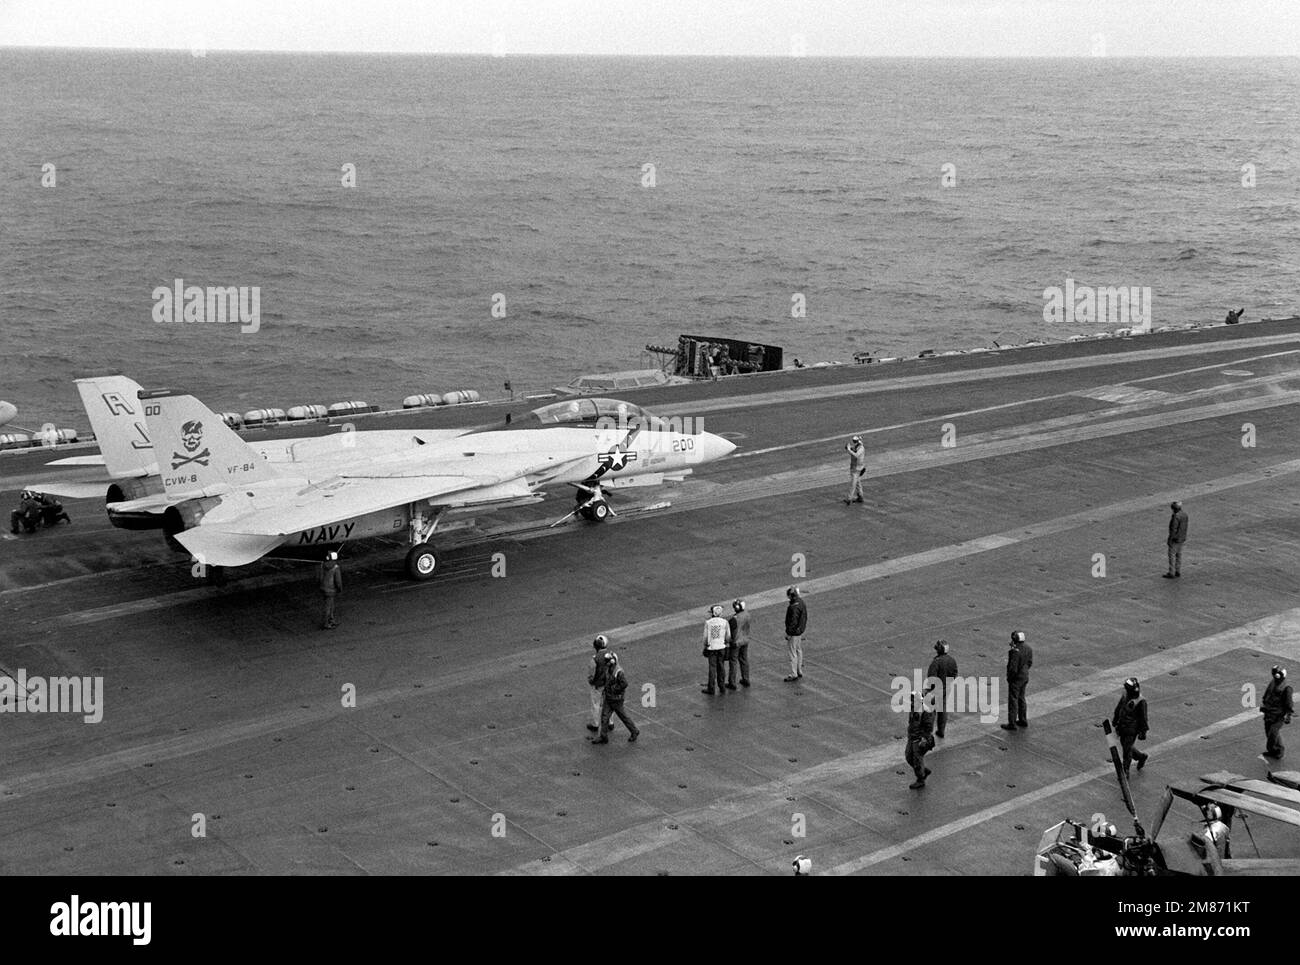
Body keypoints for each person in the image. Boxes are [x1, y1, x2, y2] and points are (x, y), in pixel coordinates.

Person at [594, 651, 640, 743]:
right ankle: (603, 737)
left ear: (612, 662)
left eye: (606, 661)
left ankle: (634, 731)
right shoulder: (608, 669)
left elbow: (624, 684)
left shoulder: (619, 672)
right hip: (609, 698)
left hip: (616, 699)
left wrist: (613, 689)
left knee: (623, 717)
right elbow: (605, 679)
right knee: (604, 717)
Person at [1111, 677, 1149, 775]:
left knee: (1127, 750)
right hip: (1122, 727)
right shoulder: (1125, 695)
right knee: (1125, 745)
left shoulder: (1141, 701)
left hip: (1132, 729)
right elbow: (1119, 708)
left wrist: (1143, 732)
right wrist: (1115, 719)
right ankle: (1141, 757)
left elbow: (1143, 718)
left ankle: (1125, 770)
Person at [1001, 630, 1032, 730]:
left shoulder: (1015, 652)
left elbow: (1013, 668)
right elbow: (1030, 662)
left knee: (1013, 700)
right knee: (1021, 698)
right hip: (1025, 676)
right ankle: (1023, 719)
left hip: (1016, 679)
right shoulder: (1028, 648)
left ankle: (1012, 723)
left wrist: (1010, 678)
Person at [927, 640, 958, 738]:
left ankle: (928, 733)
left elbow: (931, 677)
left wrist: (929, 690)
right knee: (943, 709)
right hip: (946, 687)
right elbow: (955, 673)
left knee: (931, 711)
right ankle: (941, 731)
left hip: (936, 689)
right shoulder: (952, 660)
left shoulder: (936, 662)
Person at [1261, 665, 1294, 759]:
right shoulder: (1273, 682)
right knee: (1268, 732)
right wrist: (1264, 704)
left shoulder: (1287, 688)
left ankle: (1279, 751)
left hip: (1279, 715)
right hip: (1269, 713)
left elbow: (1289, 703)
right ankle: (1273, 751)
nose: (1276, 677)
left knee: (1273, 732)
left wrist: (1288, 715)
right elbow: (1267, 693)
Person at [905, 691, 935, 789]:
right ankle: (923, 770)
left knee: (917, 760)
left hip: (919, 739)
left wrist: (924, 739)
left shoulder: (926, 710)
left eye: (913, 699)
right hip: (912, 737)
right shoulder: (914, 708)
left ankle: (921, 779)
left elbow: (928, 726)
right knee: (909, 757)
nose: (912, 701)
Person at [702, 605, 731, 695]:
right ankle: (722, 687)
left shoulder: (708, 622)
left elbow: (705, 637)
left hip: (712, 648)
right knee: (721, 667)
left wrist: (706, 645)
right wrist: (725, 643)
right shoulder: (725, 622)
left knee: (712, 668)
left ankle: (711, 688)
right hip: (721, 647)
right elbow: (728, 636)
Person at [586, 635, 611, 732]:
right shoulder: (611, 655)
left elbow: (591, 675)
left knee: (596, 704)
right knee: (608, 703)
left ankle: (595, 724)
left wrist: (591, 681)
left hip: (598, 685)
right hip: (609, 683)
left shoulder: (595, 659)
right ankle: (610, 723)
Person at [783, 586, 807, 682]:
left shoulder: (793, 607)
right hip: (800, 631)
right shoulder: (801, 602)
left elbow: (792, 622)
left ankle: (794, 673)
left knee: (792, 653)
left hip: (794, 633)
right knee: (798, 650)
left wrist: (788, 633)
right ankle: (799, 670)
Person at [727, 598, 751, 689]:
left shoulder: (734, 619)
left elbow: (730, 631)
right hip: (745, 640)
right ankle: (746, 678)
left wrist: (729, 641)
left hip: (736, 642)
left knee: (733, 662)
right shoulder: (747, 614)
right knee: (744, 660)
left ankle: (732, 682)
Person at [1164, 501, 1188, 578]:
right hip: (1182, 538)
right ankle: (1178, 571)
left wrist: (1170, 539)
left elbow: (1173, 529)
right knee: (1179, 555)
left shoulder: (1176, 516)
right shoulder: (1185, 515)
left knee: (1172, 556)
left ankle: (1171, 572)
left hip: (1175, 539)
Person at [320, 551, 342, 629]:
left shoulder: (323, 564)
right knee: (329, 607)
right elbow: (338, 581)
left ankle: (331, 621)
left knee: (329, 605)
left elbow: (320, 576)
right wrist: (340, 589)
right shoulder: (335, 567)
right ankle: (327, 623)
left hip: (323, 588)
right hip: (331, 589)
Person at [843, 436, 866, 505]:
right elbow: (852, 451)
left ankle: (849, 499)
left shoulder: (861, 448)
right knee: (858, 483)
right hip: (856, 468)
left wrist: (849, 450)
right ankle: (860, 497)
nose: (854, 443)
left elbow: (856, 455)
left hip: (856, 469)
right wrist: (848, 448)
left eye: (855, 441)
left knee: (853, 484)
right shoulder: (857, 447)